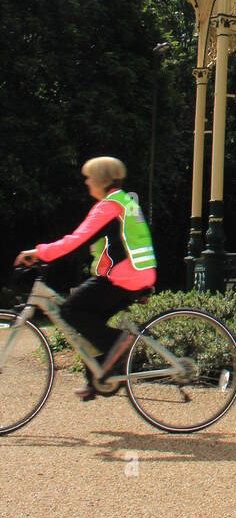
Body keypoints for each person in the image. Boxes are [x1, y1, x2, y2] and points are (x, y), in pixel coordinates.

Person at [15, 157, 157, 400]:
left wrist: (38, 253)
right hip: (138, 273)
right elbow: (101, 245)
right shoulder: (126, 201)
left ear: (101, 179)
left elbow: (75, 241)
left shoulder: (109, 206)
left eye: (89, 177)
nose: (87, 182)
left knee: (71, 311)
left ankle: (120, 343)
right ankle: (99, 379)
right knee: (88, 322)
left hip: (125, 276)